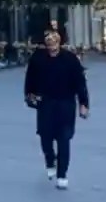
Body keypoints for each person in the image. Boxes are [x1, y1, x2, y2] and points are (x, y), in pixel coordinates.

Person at [24, 30, 89, 190]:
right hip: (45, 103)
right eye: (49, 42)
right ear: (46, 44)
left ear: (59, 43)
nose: (52, 45)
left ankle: (62, 175)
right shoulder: (38, 58)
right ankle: (50, 159)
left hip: (65, 104)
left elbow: (80, 82)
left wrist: (83, 103)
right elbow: (29, 79)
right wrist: (29, 95)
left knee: (64, 139)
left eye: (54, 42)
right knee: (45, 137)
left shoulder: (70, 59)